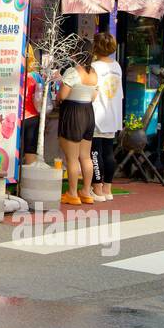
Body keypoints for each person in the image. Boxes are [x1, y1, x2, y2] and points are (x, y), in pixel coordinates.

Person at [57, 38, 99, 205]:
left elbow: (62, 96)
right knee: (85, 157)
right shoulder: (93, 73)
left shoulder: (73, 72)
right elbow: (94, 96)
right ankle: (86, 192)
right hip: (88, 112)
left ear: (77, 53)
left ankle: (72, 193)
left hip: (73, 113)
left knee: (72, 158)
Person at [90, 31, 123, 202]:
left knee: (95, 153)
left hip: (97, 114)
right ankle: (107, 188)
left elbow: (92, 93)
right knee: (108, 153)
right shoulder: (117, 66)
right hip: (113, 114)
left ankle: (97, 189)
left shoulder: (95, 67)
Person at [21, 45, 45, 165]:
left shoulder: (9, 74)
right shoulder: (36, 76)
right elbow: (45, 98)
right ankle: (27, 178)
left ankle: (12, 177)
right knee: (30, 149)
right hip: (33, 117)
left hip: (12, 117)